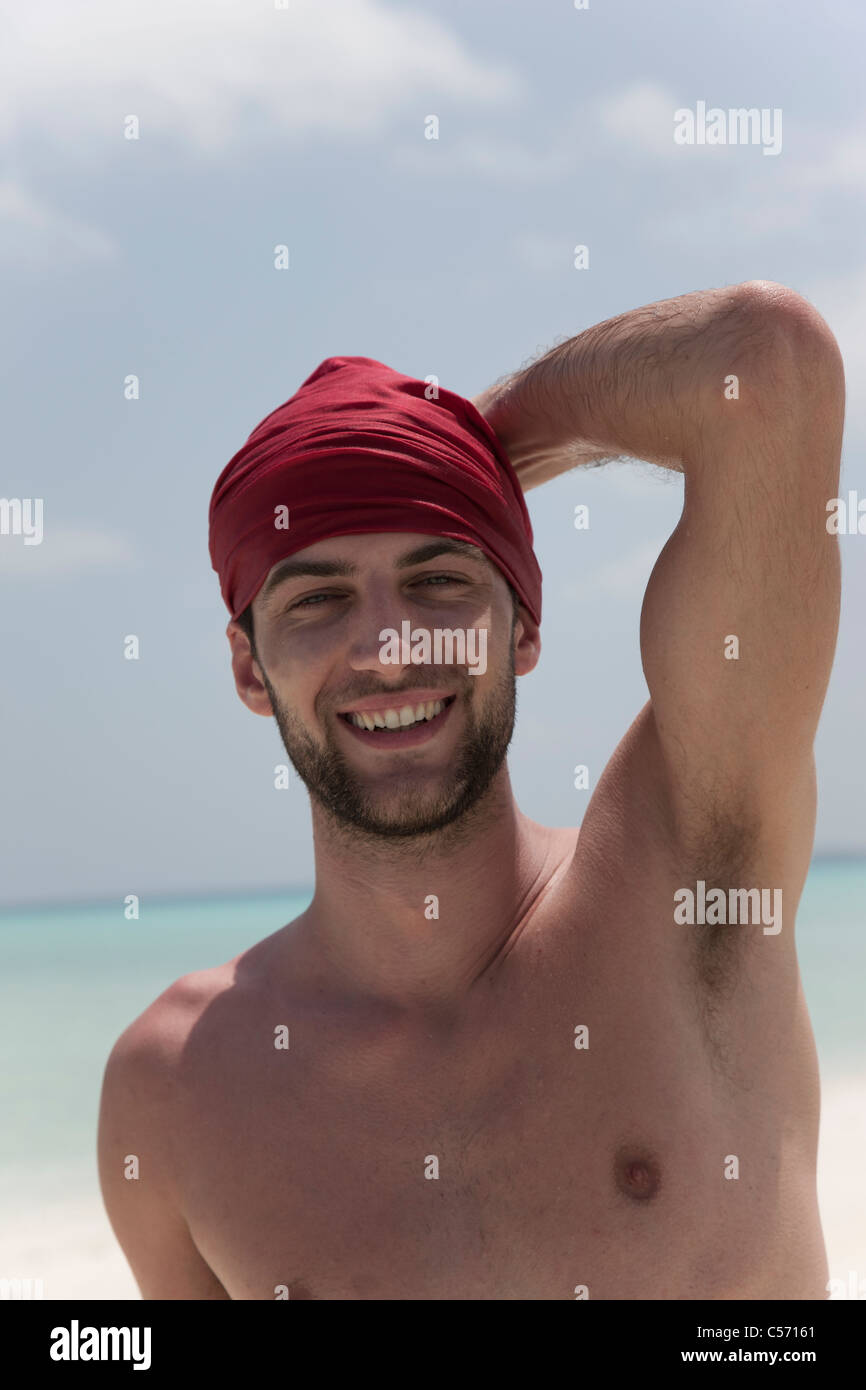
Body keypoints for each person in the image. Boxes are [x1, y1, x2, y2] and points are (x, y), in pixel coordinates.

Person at [98, 280, 844, 1300]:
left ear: (522, 627)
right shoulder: (172, 1091)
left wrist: (480, 453)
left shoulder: (688, 891)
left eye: (440, 580)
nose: (389, 643)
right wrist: (443, 490)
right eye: (317, 598)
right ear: (246, 668)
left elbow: (764, 363)